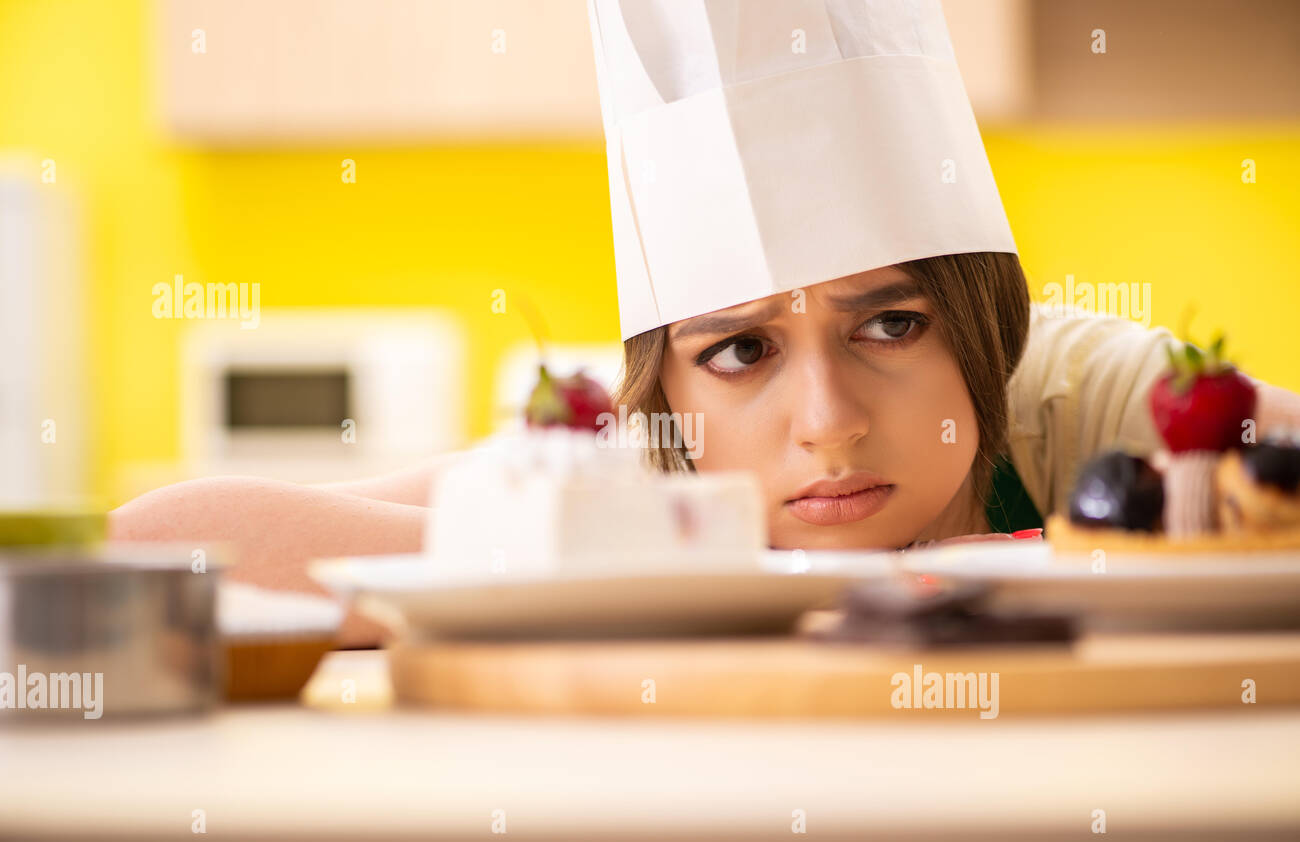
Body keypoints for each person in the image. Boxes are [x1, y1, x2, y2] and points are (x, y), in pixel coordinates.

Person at [109, 0, 1300, 601]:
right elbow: (163, 544)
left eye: (889, 323)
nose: (827, 419)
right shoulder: (653, 475)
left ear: (984, 322)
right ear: (667, 386)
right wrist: (539, 548)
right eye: (740, 351)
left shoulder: (1069, 393)